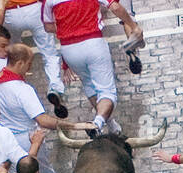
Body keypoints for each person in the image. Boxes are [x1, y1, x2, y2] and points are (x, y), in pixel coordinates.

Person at [42, 0, 142, 135]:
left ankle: (111, 124)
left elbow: (48, 27)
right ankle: (98, 123)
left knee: (89, 85)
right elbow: (115, 6)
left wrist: (69, 28)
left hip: (69, 49)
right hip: (93, 43)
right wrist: (133, 25)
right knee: (107, 91)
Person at [0, 43, 77, 173]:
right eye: (28, 63)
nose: (29, 67)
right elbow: (42, 120)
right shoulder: (23, 90)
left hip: (4, 139)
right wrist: (71, 125)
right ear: (19, 63)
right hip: (27, 140)